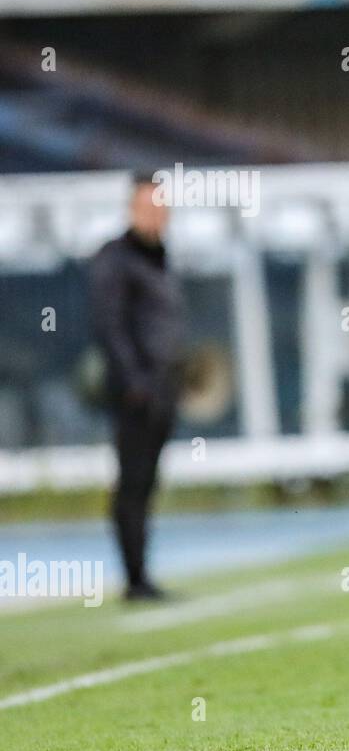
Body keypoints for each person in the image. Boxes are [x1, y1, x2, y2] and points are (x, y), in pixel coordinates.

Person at [89, 170, 185, 602]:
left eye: (163, 206)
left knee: (146, 482)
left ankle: (141, 573)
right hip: (137, 393)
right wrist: (134, 382)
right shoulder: (115, 258)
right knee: (132, 482)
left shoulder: (158, 257)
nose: (158, 215)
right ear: (133, 208)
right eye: (150, 205)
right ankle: (134, 578)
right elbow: (111, 327)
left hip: (161, 390)